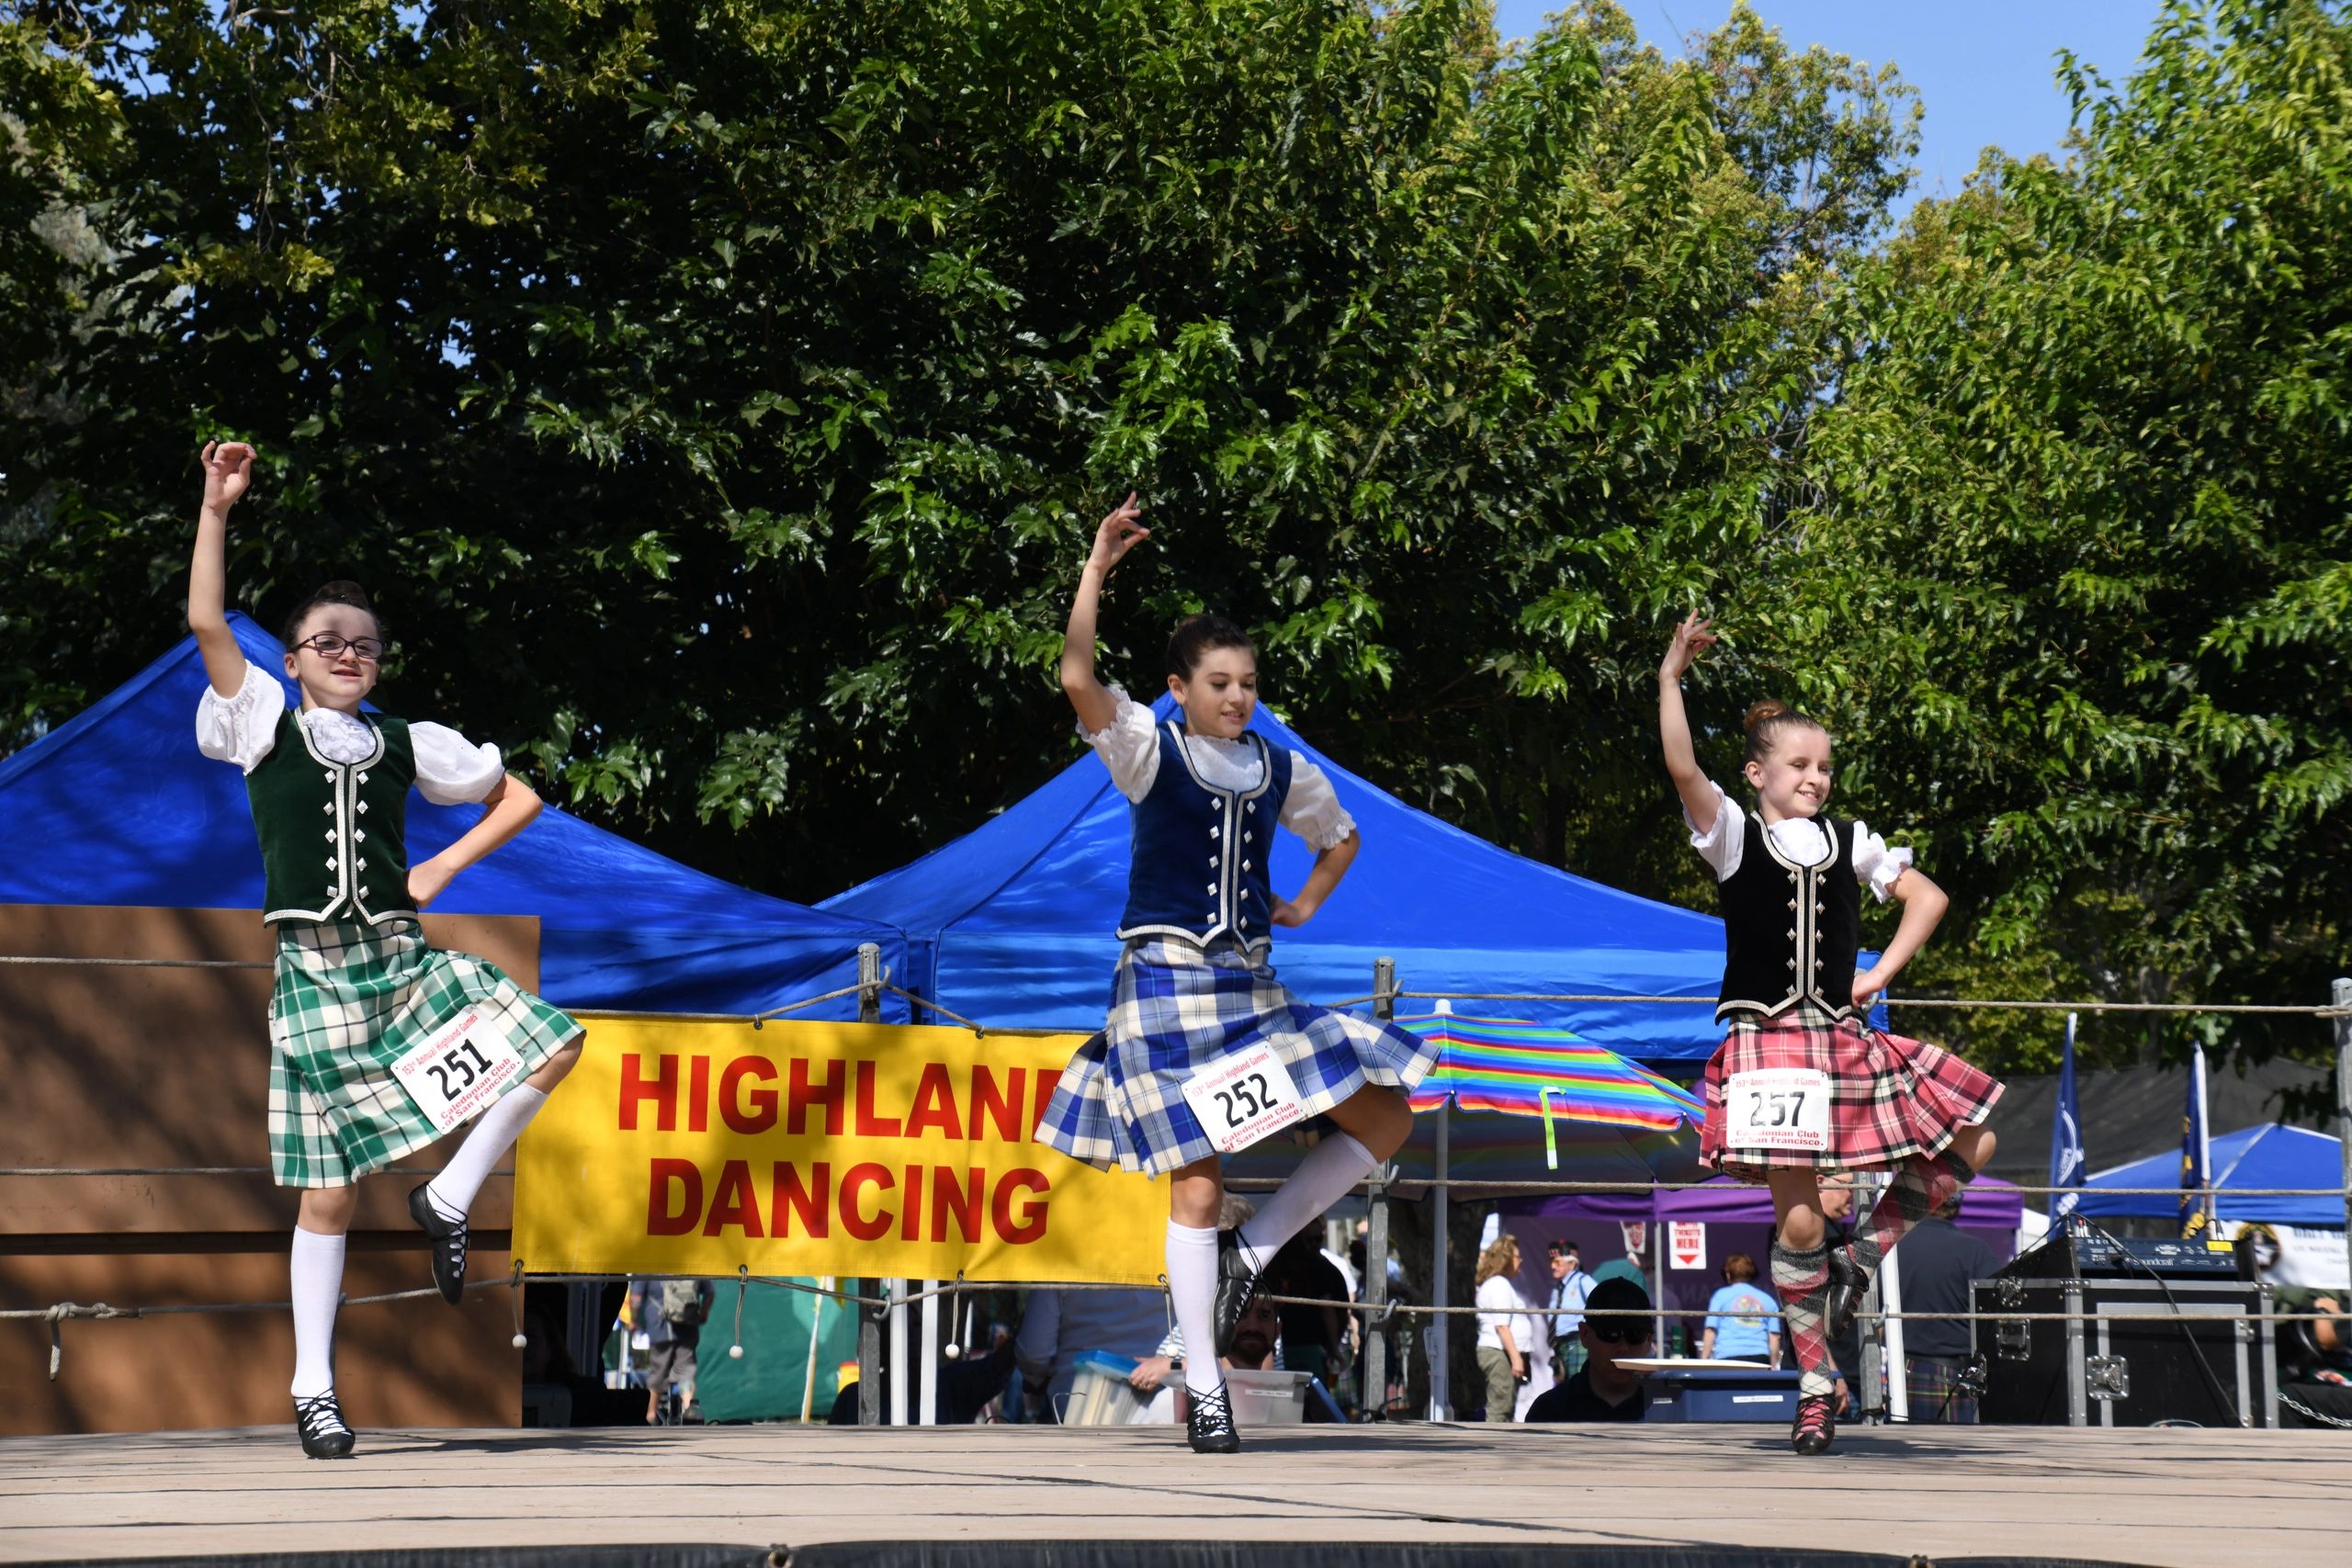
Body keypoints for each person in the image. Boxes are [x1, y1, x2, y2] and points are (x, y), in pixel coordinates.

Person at [187, 441, 586, 1460]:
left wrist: (441, 871)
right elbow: (203, 619)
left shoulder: (413, 740)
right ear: (291, 658)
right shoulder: (260, 720)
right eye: (325, 639)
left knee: (553, 1043)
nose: (345, 651)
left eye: (361, 643)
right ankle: (314, 1389)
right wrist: (216, 508)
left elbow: (523, 797)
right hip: (315, 972)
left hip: (401, 963)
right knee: (329, 1193)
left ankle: (449, 1193)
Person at [1036, 494, 1438, 1453]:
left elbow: (1339, 838)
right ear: (1178, 687)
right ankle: (1205, 1388)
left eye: (1248, 682)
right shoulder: (1144, 749)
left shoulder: (1278, 767)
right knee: (1197, 1189)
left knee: (1386, 1114)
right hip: (1164, 986)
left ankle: (1251, 1252)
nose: (1237, 697)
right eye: (1219, 682)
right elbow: (1076, 673)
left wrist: (1300, 907)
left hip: (1250, 988)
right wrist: (1095, 567)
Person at [1658, 613, 2002, 1455]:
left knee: (1975, 1135)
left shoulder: (1854, 843)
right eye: (1800, 765)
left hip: (1841, 1035)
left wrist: (1879, 974)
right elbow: (1680, 766)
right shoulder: (1737, 836)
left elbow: (1928, 898)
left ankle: (1868, 1252)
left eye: (1824, 766)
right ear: (1760, 772)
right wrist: (1671, 679)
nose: (1816, 778)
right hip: (1769, 1042)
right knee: (1803, 1224)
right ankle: (1815, 1385)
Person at [1892, 1191, 1998, 1422]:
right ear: (1957, 1207)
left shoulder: (1892, 1249)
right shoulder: (1976, 1251)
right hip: (1955, 1376)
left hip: (1901, 1372)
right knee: (1957, 1454)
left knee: (1900, 1453)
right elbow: (1994, 1314)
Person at [1013, 1286, 1173, 1418]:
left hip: (1074, 1404)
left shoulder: (1056, 1258)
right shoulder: (1174, 1255)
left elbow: (1034, 1352)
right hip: (1160, 1409)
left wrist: (1034, 1380)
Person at [1523, 1278, 1654, 1422]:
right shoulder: (1549, 1410)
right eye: (1610, 1333)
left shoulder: (1673, 1407)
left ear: (1649, 1341)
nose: (1623, 1348)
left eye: (1635, 1335)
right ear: (1584, 1334)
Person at [629, 1277, 714, 1424]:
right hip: (688, 1325)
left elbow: (636, 1297)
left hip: (659, 1327)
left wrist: (634, 1319)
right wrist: (704, 1312)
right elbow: (710, 1292)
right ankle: (690, 1412)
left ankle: (650, 1415)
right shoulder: (692, 1266)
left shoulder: (651, 1266)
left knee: (658, 1371)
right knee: (686, 1370)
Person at [1472, 1234, 1534, 1421]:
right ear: (1505, 1259)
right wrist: (1516, 1358)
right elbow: (1502, 1326)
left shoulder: (1499, 1284)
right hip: (1498, 1351)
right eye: (1517, 1257)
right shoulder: (1499, 1284)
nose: (1521, 1261)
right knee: (1501, 1405)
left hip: (1501, 1352)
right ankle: (1494, 1443)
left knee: (1505, 1403)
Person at [1699, 1254, 1781, 1366]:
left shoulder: (1720, 1296)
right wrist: (1773, 1365)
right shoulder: (1768, 1300)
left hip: (1727, 1357)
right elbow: (1774, 1337)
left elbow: (1710, 1331)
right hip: (1760, 1359)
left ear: (1728, 1274)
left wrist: (1704, 1360)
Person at [1544, 1238, 1597, 1382]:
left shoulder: (1583, 1281)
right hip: (1560, 1345)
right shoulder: (1558, 1287)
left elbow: (1600, 1304)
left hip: (1578, 1341)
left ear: (1572, 1263)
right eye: (1551, 1262)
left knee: (1579, 1385)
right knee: (1565, 1389)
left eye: (1557, 1262)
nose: (1553, 1267)